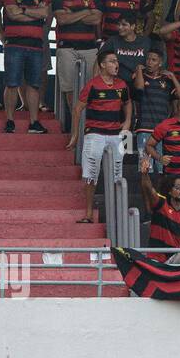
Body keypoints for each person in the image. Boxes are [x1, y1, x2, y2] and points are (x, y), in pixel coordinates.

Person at [65, 48, 131, 225]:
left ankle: (117, 215)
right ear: (102, 65)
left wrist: (128, 123)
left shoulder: (122, 85)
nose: (116, 64)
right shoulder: (92, 85)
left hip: (116, 135)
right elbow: (77, 109)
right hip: (94, 134)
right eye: (111, 61)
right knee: (91, 174)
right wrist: (75, 135)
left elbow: (128, 103)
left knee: (117, 174)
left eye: (116, 61)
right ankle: (88, 213)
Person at [0, 0, 51, 134]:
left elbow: (44, 13)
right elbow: (12, 14)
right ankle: (10, 120)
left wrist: (23, 11)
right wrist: (32, 13)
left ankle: (34, 122)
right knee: (12, 83)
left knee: (34, 85)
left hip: (35, 46)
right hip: (14, 45)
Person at [51, 0, 102, 117]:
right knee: (69, 87)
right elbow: (62, 19)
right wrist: (86, 12)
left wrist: (73, 15)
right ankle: (76, 118)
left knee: (91, 86)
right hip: (66, 47)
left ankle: (88, 119)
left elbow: (97, 18)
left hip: (89, 47)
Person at [133, 48, 180, 176]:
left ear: (160, 63)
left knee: (161, 168)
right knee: (145, 168)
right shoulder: (140, 76)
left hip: (162, 129)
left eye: (153, 60)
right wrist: (138, 70)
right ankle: (146, 194)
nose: (149, 62)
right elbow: (139, 87)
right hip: (144, 127)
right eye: (148, 59)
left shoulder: (166, 80)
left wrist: (173, 77)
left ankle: (158, 195)